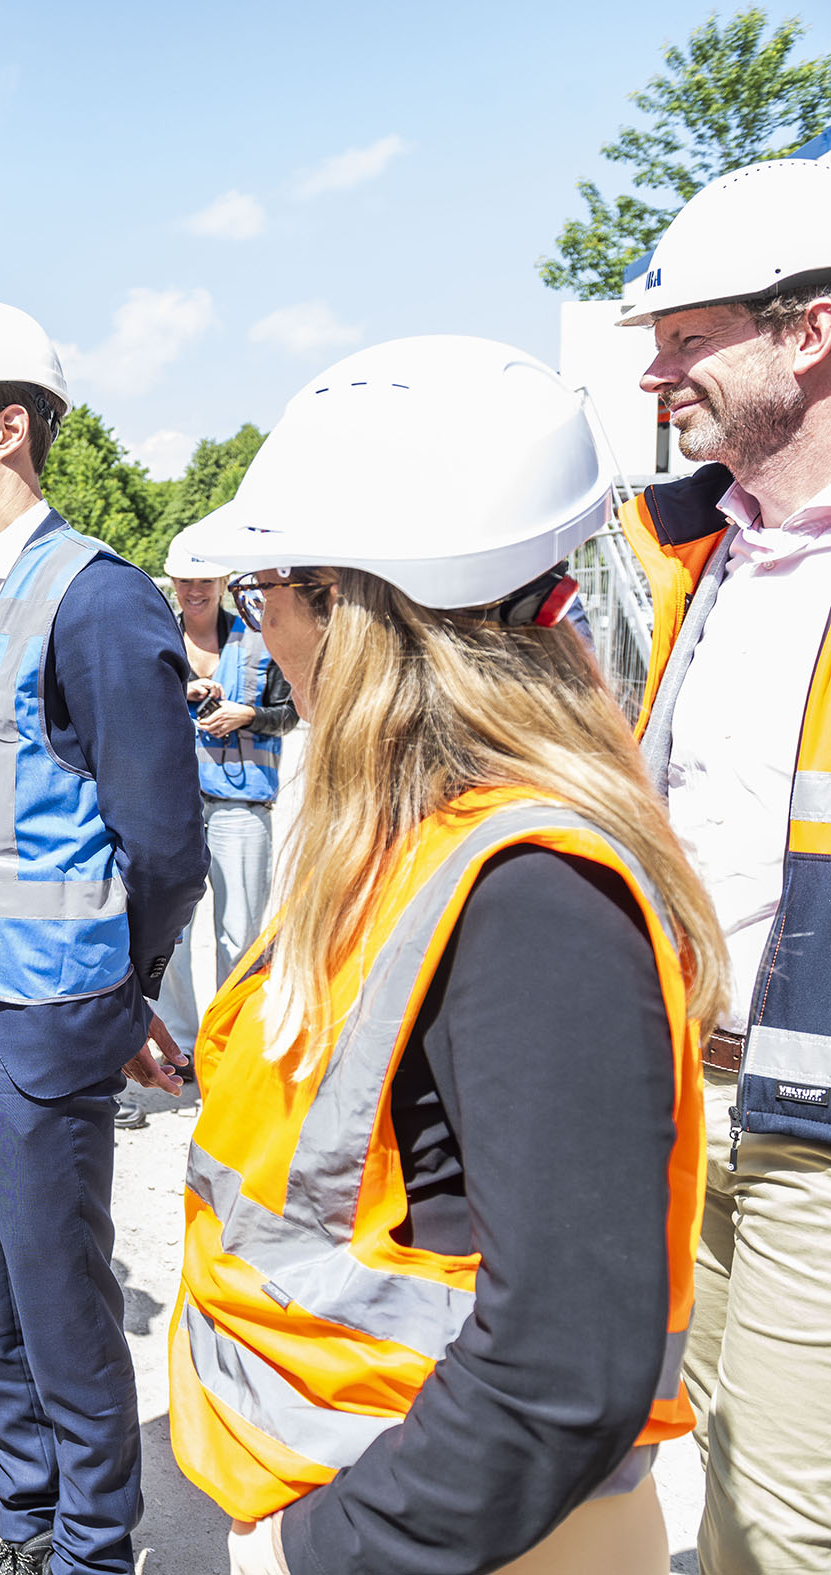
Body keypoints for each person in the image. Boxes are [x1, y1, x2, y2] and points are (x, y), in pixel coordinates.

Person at [170, 335, 720, 1575]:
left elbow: (566, 1364)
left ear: (352, 603)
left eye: (271, 589)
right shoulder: (419, 839)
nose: (264, 627)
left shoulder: (530, 894)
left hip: (471, 1537)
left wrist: (333, 1546)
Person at [0, 298, 207, 1575]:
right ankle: (26, 1527)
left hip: (36, 1023)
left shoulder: (99, 604)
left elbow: (167, 848)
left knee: (60, 1302)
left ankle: (90, 1552)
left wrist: (124, 1000)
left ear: (7, 429)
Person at [614, 156, 831, 1575]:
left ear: (806, 329)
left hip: (815, 1131)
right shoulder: (680, 554)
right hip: (678, 1077)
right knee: (617, 1429)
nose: (653, 376)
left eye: (685, 337)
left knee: (776, 1522)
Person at [149, 545, 298, 1121]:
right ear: (175, 582)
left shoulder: (259, 638)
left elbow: (290, 714)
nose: (194, 590)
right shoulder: (157, 635)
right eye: (185, 580)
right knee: (174, 939)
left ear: (220, 581)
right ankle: (183, 1055)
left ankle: (231, 1053)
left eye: (204, 580)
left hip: (241, 805)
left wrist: (246, 716)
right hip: (175, 806)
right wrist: (174, 692)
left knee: (240, 933)